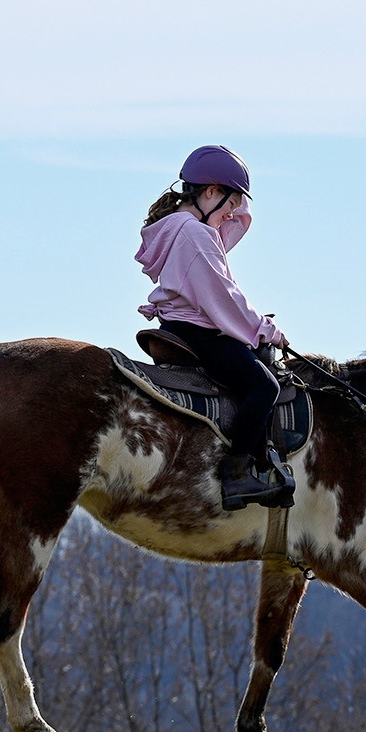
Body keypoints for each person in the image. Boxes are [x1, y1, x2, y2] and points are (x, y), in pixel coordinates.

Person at [134, 145, 294, 509]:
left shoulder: (181, 228)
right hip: (199, 332)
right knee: (263, 386)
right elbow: (223, 297)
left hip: (179, 324)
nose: (233, 214)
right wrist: (265, 330)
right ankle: (236, 476)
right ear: (209, 192)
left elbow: (224, 246)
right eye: (230, 203)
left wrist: (230, 205)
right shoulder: (195, 234)